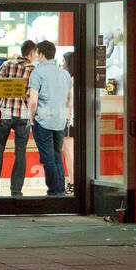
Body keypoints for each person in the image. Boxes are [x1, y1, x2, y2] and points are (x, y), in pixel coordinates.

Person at [0, 40, 36, 197]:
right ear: (32, 53)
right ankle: (16, 190)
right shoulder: (33, 70)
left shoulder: (7, 64)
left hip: (6, 112)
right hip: (24, 114)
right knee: (20, 153)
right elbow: (33, 95)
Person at [27, 40, 72, 196]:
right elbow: (70, 98)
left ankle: (55, 190)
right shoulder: (64, 73)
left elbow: (33, 101)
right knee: (57, 154)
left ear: (41, 54)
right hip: (60, 120)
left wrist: (31, 118)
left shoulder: (37, 72)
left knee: (48, 157)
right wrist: (66, 113)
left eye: (38, 55)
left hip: (43, 120)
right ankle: (60, 189)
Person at [61, 52, 75, 192]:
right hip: (73, 117)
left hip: (68, 117)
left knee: (68, 150)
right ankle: (72, 182)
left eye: (63, 61)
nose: (62, 63)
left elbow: (67, 100)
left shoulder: (69, 80)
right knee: (70, 150)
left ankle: (72, 183)